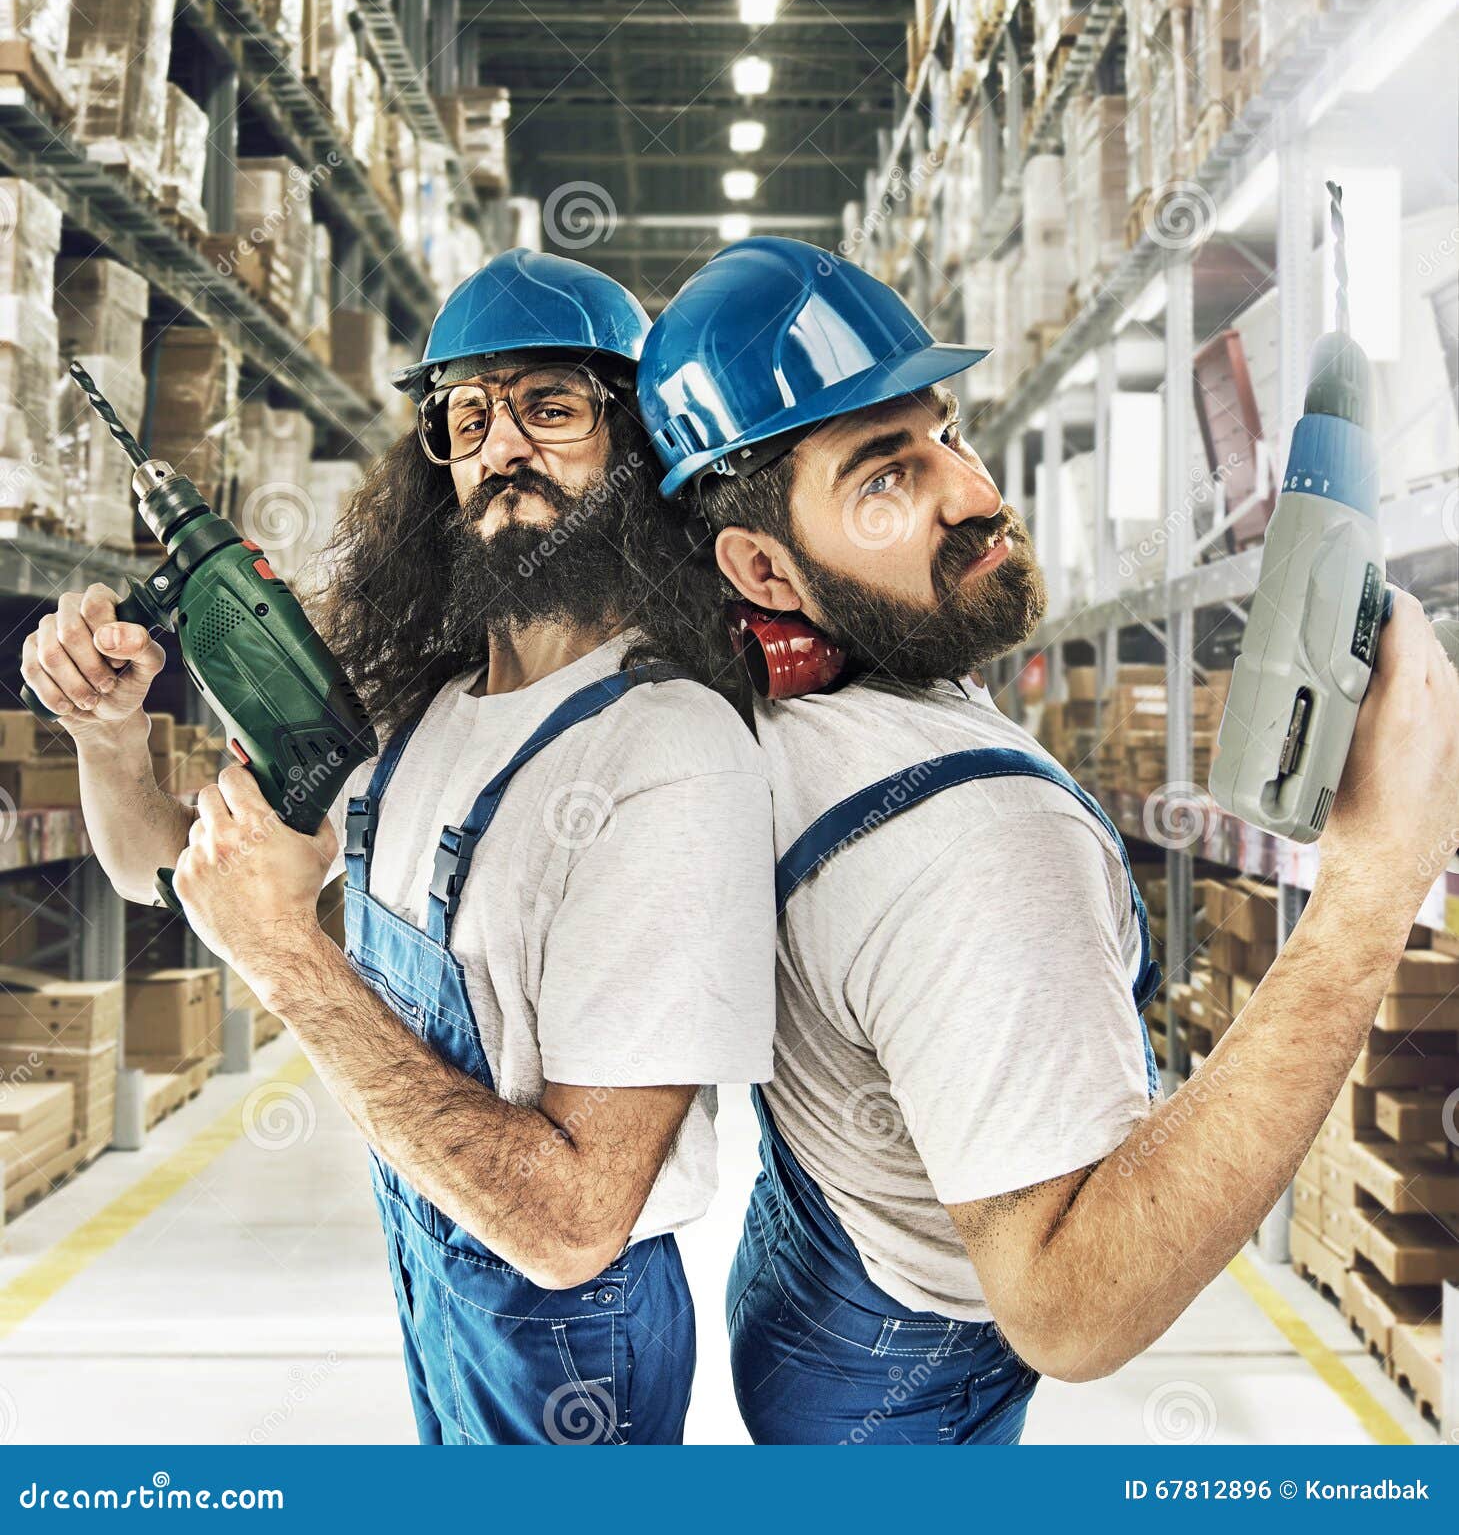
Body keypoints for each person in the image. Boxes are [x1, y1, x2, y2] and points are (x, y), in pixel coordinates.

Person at [633, 235, 1459, 1445]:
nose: (971, 494)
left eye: (945, 437)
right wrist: (1372, 884)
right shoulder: (976, 837)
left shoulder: (761, 710)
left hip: (811, 1295)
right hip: (906, 1392)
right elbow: (1071, 1310)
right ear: (759, 565)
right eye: (883, 479)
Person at [24, 248, 775, 1446]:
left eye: (551, 406)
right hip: (439, 1265)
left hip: (571, 1332)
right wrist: (108, 739)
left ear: (634, 442)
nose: (501, 448)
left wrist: (287, 959)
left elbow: (575, 1222)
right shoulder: (415, 711)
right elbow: (162, 871)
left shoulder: (667, 748)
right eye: (467, 416)